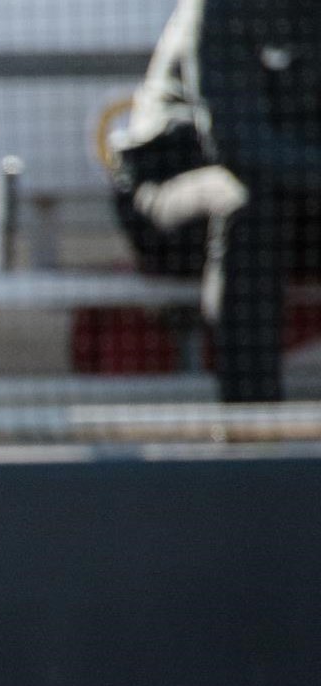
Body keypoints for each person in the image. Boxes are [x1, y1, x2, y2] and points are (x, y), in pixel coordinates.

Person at [112, 0, 321, 401]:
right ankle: (252, 425)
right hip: (172, 194)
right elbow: (238, 145)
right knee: (246, 201)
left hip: (294, 198)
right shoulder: (220, 8)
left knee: (266, 200)